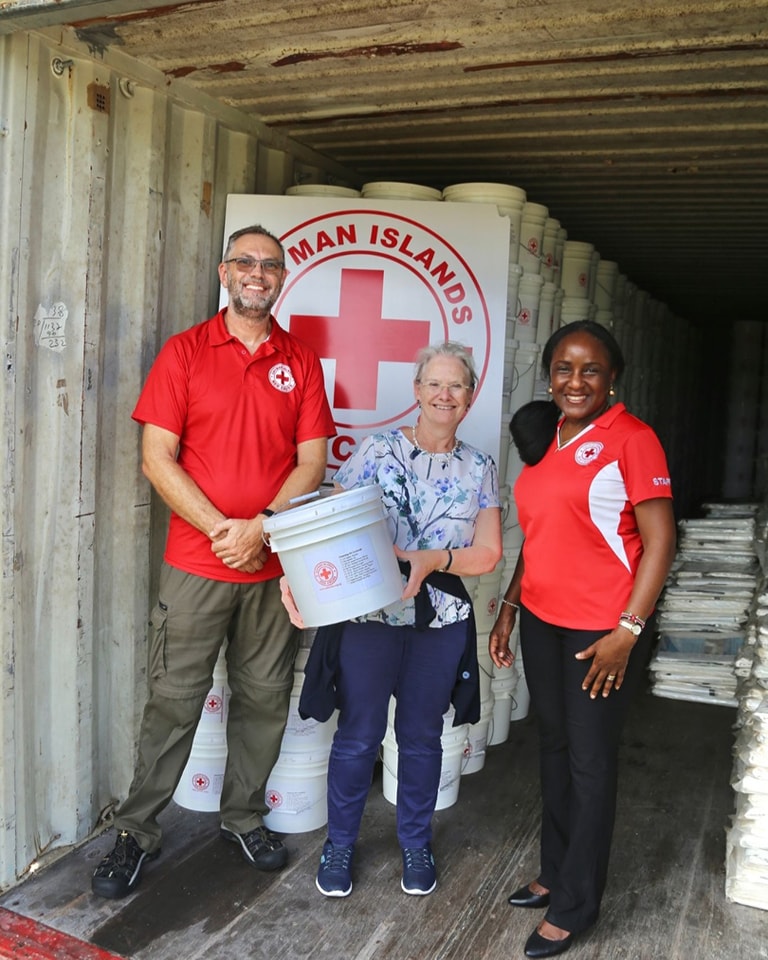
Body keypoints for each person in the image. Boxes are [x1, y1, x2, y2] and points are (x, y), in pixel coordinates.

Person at [91, 224, 336, 899]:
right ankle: (135, 834)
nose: (259, 274)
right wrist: (223, 530)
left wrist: (261, 529)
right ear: (224, 273)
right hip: (197, 569)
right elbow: (156, 457)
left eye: (271, 265)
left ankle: (244, 816)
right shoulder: (185, 353)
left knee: (262, 699)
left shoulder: (302, 361)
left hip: (271, 569)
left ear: (282, 278)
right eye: (246, 263)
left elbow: (311, 461)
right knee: (172, 704)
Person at [282, 341, 502, 899]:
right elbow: (330, 526)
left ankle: (415, 842)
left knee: (422, 739)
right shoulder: (377, 451)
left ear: (470, 396)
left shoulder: (480, 466)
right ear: (417, 391)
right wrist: (296, 581)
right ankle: (339, 844)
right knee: (356, 737)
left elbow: (488, 554)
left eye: (456, 386)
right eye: (434, 384)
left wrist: (435, 560)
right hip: (369, 618)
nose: (444, 395)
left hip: (441, 620)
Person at [489, 320, 676, 958]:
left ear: (611, 377)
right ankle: (556, 870)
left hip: (603, 628)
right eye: (565, 368)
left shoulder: (634, 439)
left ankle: (577, 904)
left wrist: (628, 630)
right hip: (543, 618)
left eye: (590, 369)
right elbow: (540, 534)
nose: (576, 381)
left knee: (590, 761)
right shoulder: (548, 435)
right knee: (554, 745)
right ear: (549, 375)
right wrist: (511, 605)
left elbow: (660, 542)